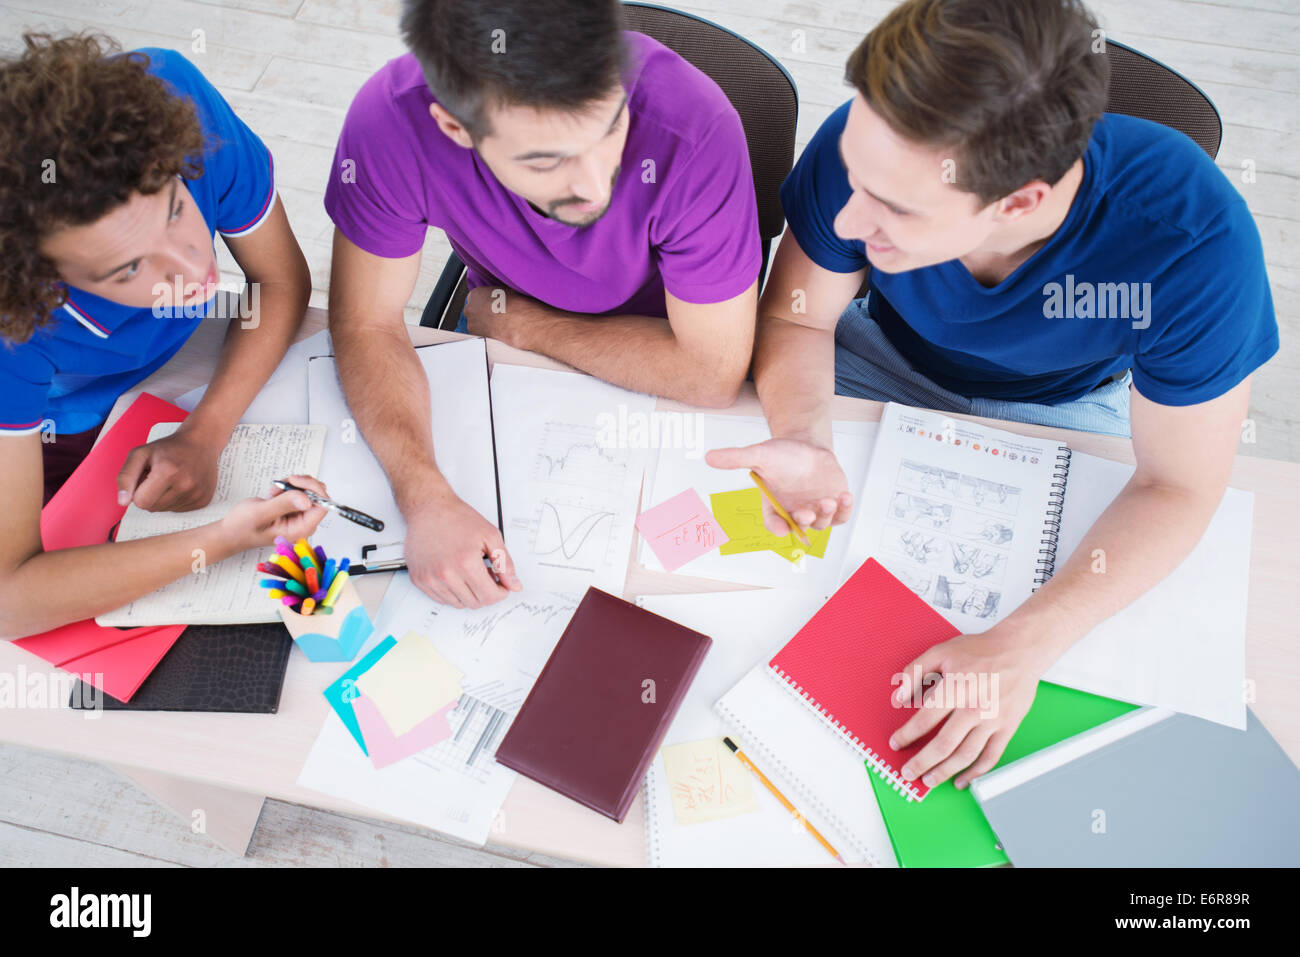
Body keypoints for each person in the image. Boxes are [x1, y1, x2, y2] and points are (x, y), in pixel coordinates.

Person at [707, 0, 1278, 789]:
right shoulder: (877, 144)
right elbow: (798, 321)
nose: (845, 214)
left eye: (895, 208)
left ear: (1020, 204)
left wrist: (1026, 644)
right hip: (877, 356)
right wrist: (805, 433)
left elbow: (1177, 483)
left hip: (1066, 408)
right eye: (857, 176)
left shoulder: (1194, 242)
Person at [325, 0, 761, 609]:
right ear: (455, 127)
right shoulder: (389, 122)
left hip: (654, 357)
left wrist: (529, 326)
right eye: (545, 160)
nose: (593, 185)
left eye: (610, 128)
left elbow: (712, 375)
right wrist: (425, 499)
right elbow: (365, 321)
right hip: (505, 347)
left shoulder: (695, 127)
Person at [0, 34, 328, 637]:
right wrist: (219, 542)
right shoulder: (8, 334)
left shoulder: (172, 99)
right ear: (36, 283)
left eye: (176, 208)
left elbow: (280, 281)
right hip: (48, 424)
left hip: (179, 371)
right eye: (129, 268)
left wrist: (204, 434)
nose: (192, 270)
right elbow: (10, 601)